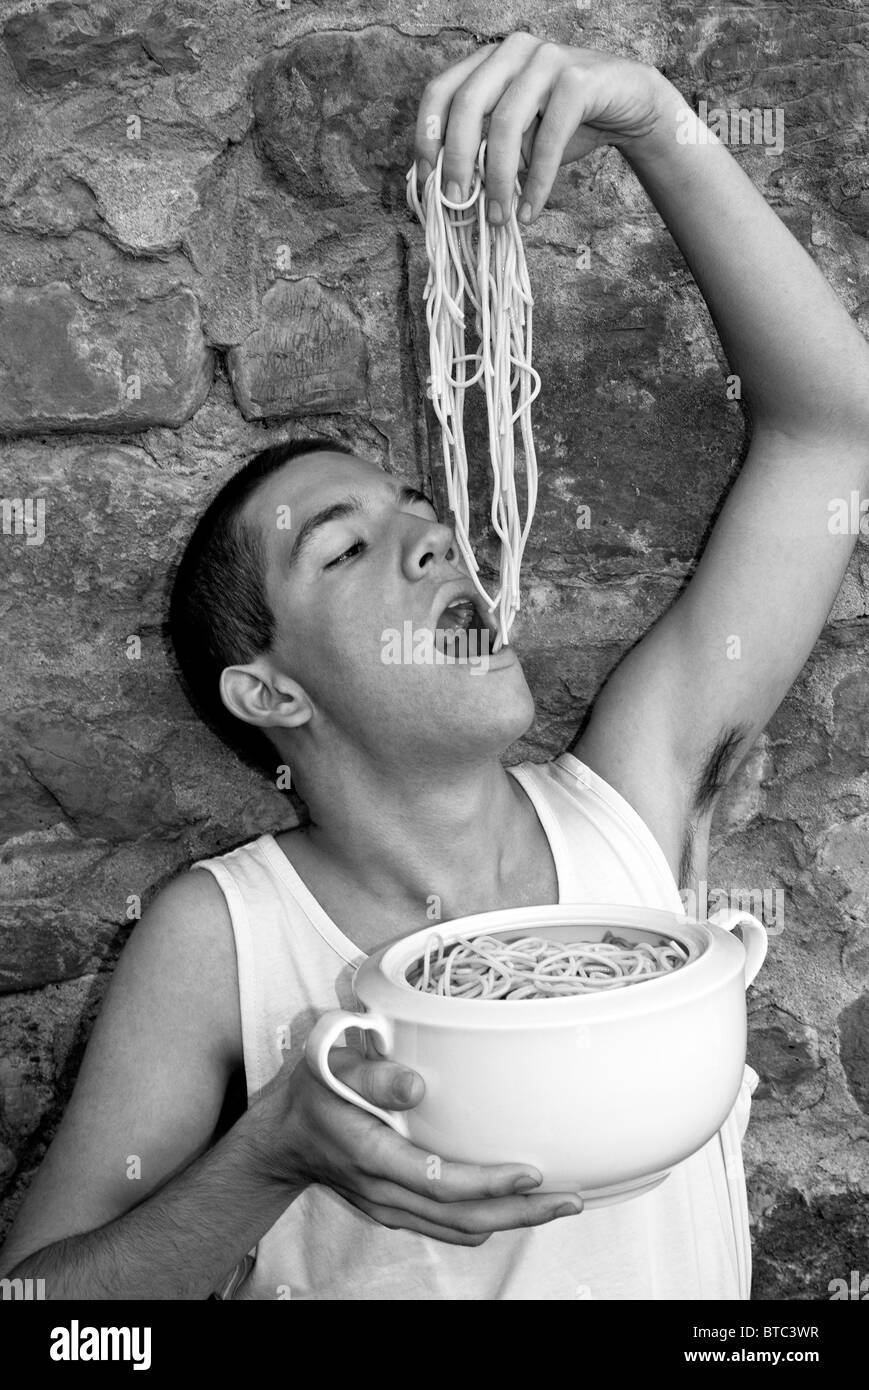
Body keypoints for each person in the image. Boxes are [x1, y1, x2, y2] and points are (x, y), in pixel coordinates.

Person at [2, 31, 867, 1301]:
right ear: (270, 691)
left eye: (419, 510)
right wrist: (267, 1161)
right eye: (346, 549)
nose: (431, 537)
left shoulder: (630, 807)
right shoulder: (225, 942)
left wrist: (652, 117)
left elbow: (832, 436)